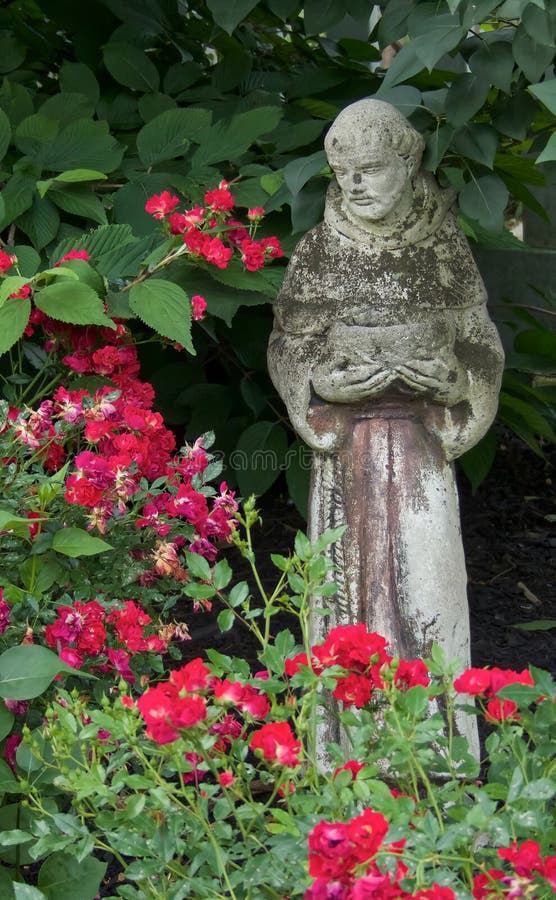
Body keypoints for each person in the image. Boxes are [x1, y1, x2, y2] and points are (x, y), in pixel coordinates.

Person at [268, 100, 504, 745]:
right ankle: (350, 751)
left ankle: (436, 752)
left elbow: (479, 340)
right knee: (353, 591)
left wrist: (457, 384)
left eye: (371, 169)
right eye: (342, 173)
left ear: (408, 162)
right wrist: (318, 383)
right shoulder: (321, 250)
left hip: (424, 446)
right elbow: (291, 342)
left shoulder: (442, 248)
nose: (355, 184)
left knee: (426, 585)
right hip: (349, 454)